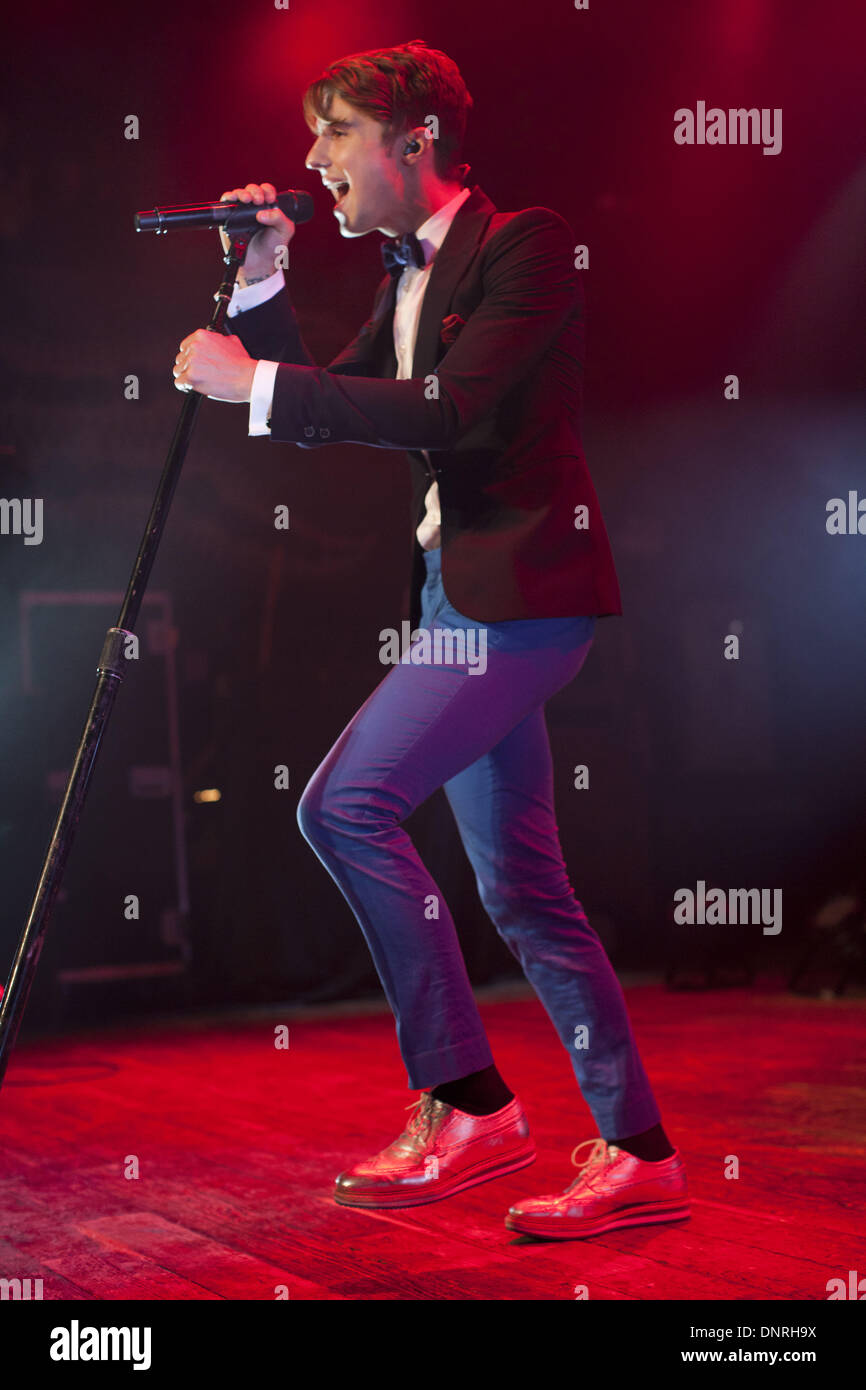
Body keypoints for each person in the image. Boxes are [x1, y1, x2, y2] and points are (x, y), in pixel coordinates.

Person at [173, 39, 689, 1240]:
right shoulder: (404, 273)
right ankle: (642, 1153)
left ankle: (467, 1102)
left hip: (518, 601)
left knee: (340, 805)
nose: (314, 161)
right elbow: (332, 402)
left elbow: (451, 409)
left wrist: (245, 380)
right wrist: (259, 279)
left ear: (413, 144)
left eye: (336, 136)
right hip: (462, 605)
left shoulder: (526, 244)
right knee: (523, 889)